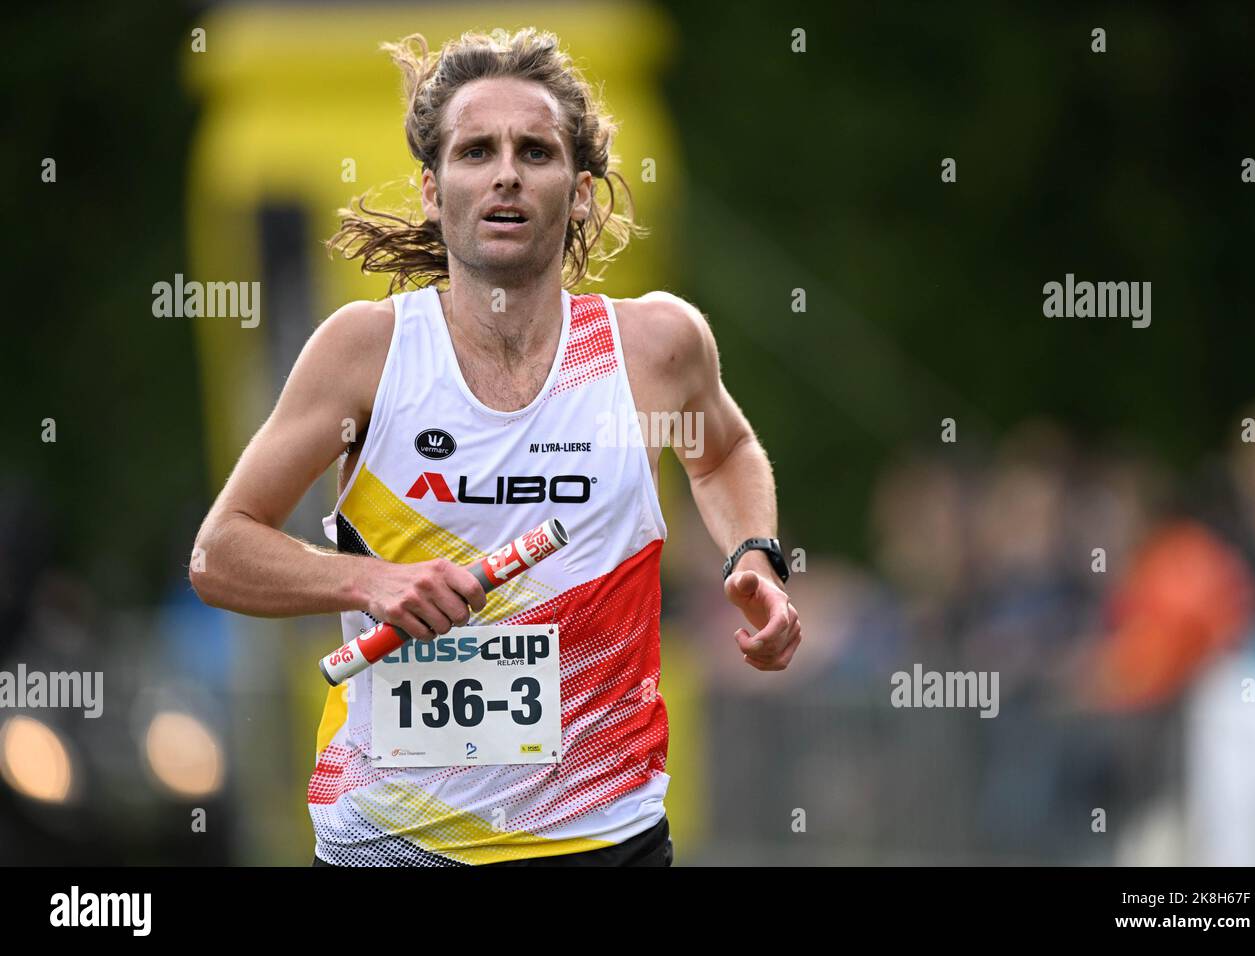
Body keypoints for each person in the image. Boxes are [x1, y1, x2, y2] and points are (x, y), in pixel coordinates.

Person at [189, 27, 800, 867]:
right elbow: (219, 554)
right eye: (477, 150)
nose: (506, 171)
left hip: (603, 835)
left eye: (535, 151)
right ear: (435, 192)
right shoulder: (366, 354)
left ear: (581, 193)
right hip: (396, 843)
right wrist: (370, 581)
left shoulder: (655, 346)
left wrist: (756, 558)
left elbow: (724, 453)